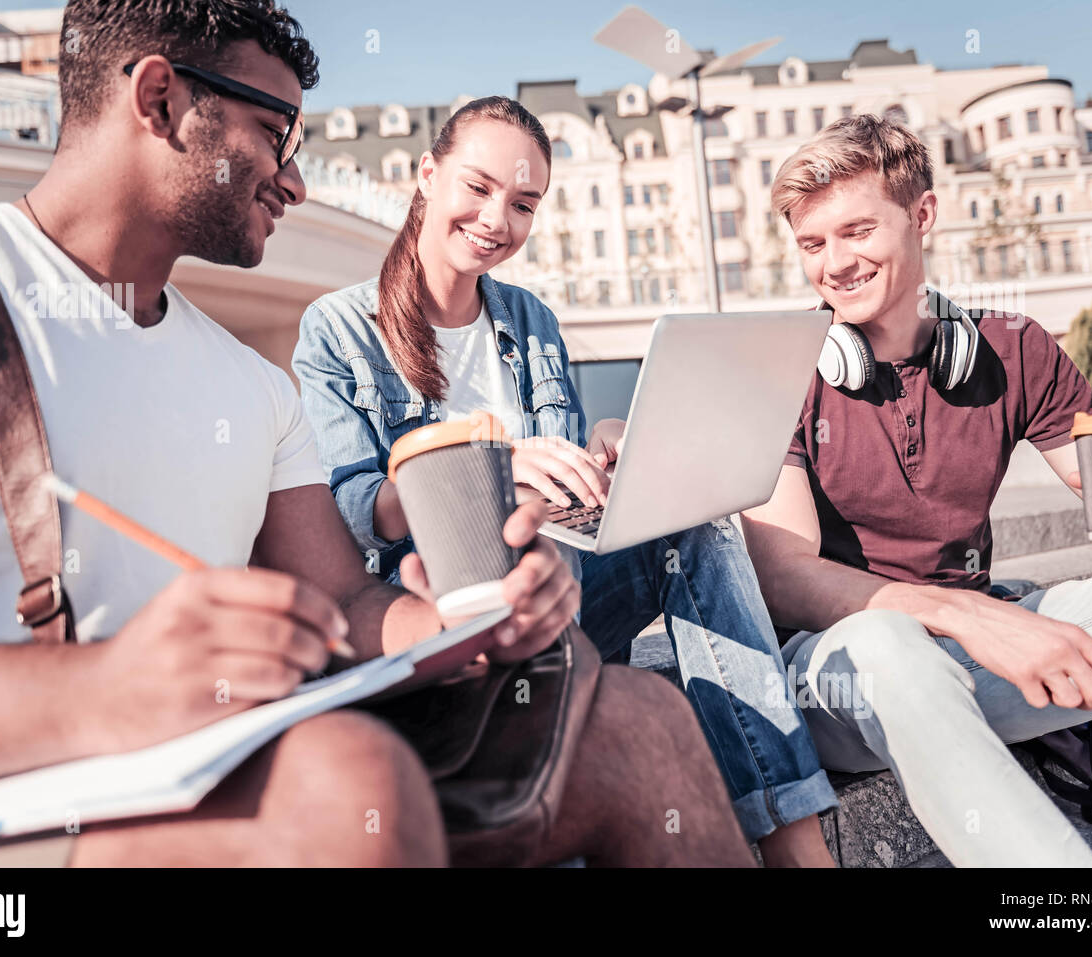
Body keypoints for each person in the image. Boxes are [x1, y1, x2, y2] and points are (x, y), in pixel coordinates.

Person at [0, 0, 754, 868]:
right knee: (347, 781)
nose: (294, 180)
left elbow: (348, 606)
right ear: (159, 101)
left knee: (641, 724)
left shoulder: (254, 385)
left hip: (221, 773)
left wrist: (470, 624)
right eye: (273, 132)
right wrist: (105, 689)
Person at [294, 96, 838, 865]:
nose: (495, 219)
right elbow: (357, 515)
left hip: (564, 588)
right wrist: (489, 467)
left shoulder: (530, 319)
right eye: (477, 188)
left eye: (522, 204)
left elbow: (562, 493)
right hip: (440, 613)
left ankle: (793, 841)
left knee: (699, 522)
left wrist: (612, 453)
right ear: (426, 175)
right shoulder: (338, 329)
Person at [740, 112, 1092, 867]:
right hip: (841, 678)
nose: (834, 263)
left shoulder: (1016, 347)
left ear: (924, 215)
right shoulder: (777, 367)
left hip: (983, 659)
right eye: (813, 243)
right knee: (893, 646)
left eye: (857, 232)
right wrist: (977, 617)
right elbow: (784, 576)